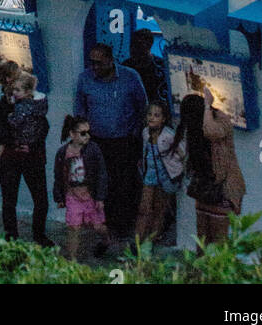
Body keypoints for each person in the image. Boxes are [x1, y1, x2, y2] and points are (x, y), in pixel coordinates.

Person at [74, 42, 147, 243]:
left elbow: (142, 106)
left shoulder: (129, 77)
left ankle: (122, 225)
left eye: (99, 63)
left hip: (124, 140)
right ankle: (102, 223)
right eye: (92, 63)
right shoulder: (85, 78)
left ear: (110, 60)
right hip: (96, 140)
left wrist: (136, 133)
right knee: (99, 183)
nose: (95, 67)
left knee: (123, 183)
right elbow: (80, 107)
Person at [172, 88, 246, 243]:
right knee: (203, 238)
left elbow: (211, 131)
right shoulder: (195, 133)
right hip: (206, 189)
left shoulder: (220, 120)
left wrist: (207, 106)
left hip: (224, 190)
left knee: (220, 241)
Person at [0, 70, 53, 246]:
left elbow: (44, 126)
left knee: (40, 198)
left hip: (32, 156)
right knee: (9, 199)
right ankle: (11, 235)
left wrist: (31, 144)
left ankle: (39, 234)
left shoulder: (32, 105)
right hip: (11, 157)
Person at [53, 115, 109, 259]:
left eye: (88, 132)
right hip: (73, 196)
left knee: (97, 226)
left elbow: (102, 173)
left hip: (90, 195)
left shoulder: (93, 149)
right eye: (83, 133)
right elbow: (58, 175)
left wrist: (100, 197)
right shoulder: (63, 152)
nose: (87, 136)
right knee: (74, 227)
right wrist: (59, 196)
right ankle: (72, 260)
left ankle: (105, 240)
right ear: (72, 134)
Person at [135, 99, 185, 242]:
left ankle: (152, 238)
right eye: (150, 114)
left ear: (163, 119)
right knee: (144, 209)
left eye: (156, 115)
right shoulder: (145, 133)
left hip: (165, 174)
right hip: (150, 174)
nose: (152, 118)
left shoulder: (169, 135)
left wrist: (177, 169)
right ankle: (138, 241)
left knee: (159, 208)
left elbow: (182, 152)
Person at [124, 29, 168, 105]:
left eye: (139, 45)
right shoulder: (126, 66)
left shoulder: (160, 66)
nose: (134, 49)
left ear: (149, 45)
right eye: (132, 45)